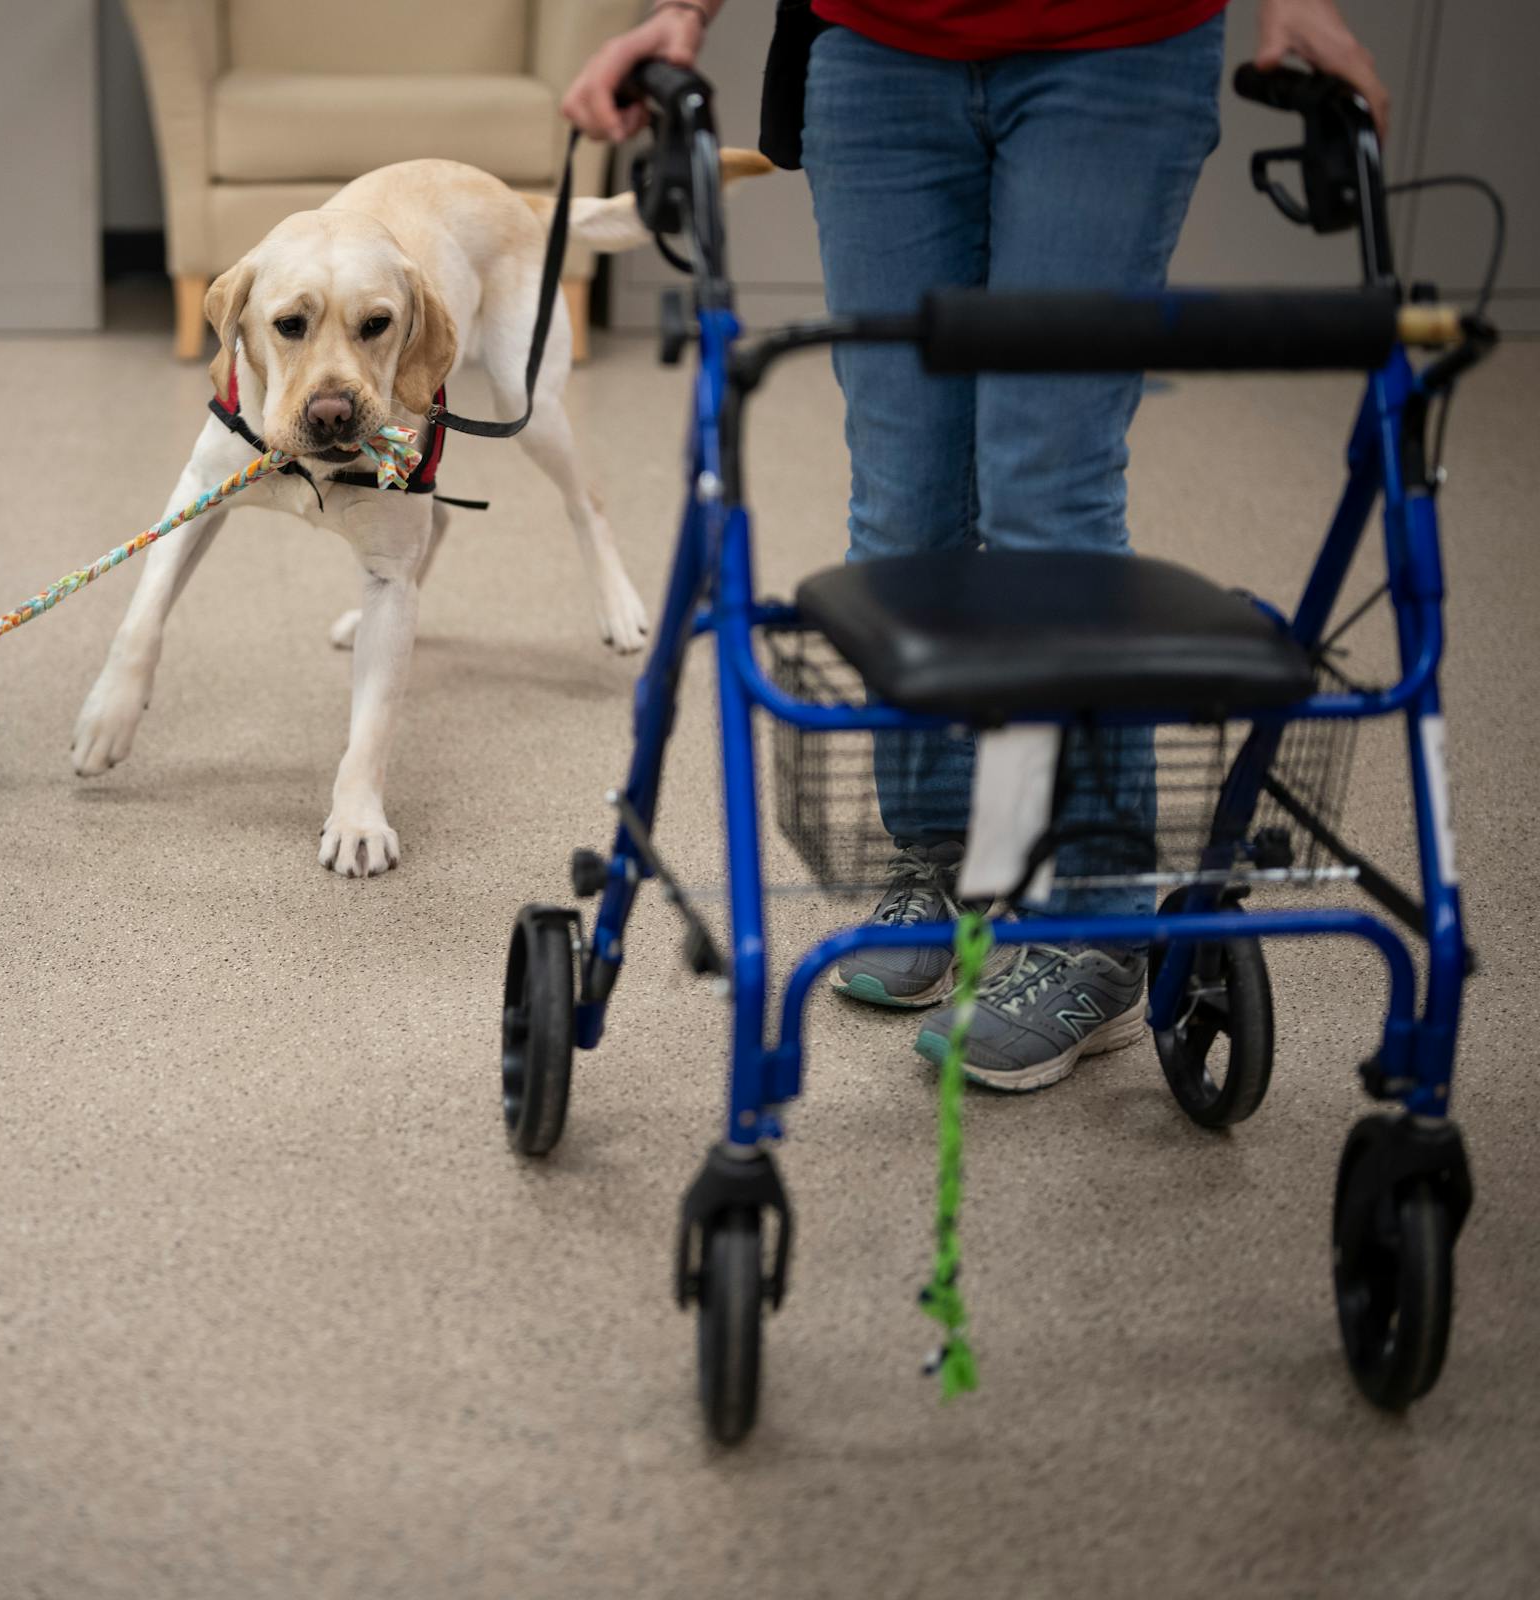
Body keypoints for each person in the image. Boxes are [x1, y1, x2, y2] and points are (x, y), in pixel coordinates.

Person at [562, 0, 1387, 1091]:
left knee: (1049, 488)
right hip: (880, 47)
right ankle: (941, 847)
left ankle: (1094, 925)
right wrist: (680, 14)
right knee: (902, 502)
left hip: (1116, 45)